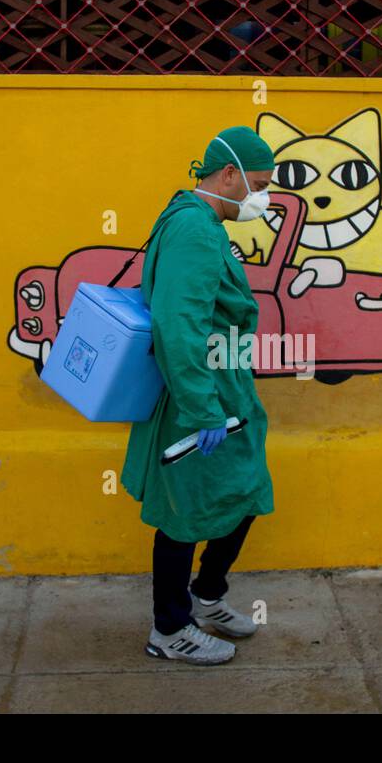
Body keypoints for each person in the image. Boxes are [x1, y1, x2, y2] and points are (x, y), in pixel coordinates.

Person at [121, 126, 277, 666]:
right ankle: (170, 629)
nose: (262, 198)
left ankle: (207, 596)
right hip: (200, 391)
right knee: (183, 510)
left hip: (220, 385)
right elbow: (178, 323)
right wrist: (202, 407)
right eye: (257, 185)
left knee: (243, 491)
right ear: (228, 173)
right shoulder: (194, 229)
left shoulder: (197, 219)